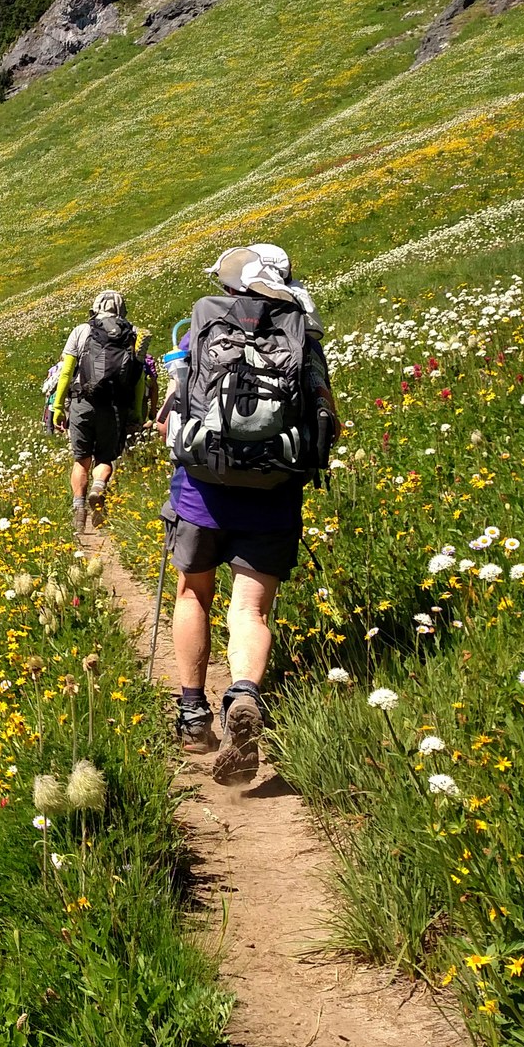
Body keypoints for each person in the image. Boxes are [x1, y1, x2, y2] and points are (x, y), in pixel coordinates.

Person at [158, 243, 340, 783]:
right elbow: (329, 423)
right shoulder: (303, 335)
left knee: (193, 594)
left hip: (200, 490)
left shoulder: (202, 327)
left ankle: (193, 716)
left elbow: (172, 421)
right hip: (273, 490)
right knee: (250, 611)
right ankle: (243, 693)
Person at [51, 289, 148, 532]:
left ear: (95, 308)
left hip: (83, 402)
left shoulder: (82, 330)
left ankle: (79, 508)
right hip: (115, 406)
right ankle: (99, 487)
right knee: (105, 458)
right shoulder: (132, 333)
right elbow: (139, 379)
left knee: (81, 460)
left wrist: (58, 407)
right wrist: (136, 412)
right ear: (122, 309)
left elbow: (65, 372)